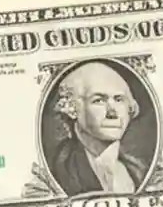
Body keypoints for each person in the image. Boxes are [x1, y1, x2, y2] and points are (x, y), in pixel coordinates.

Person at [48, 61, 148, 196]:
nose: (112, 113)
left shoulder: (138, 172)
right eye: (99, 100)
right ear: (72, 108)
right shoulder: (58, 169)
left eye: (119, 99)